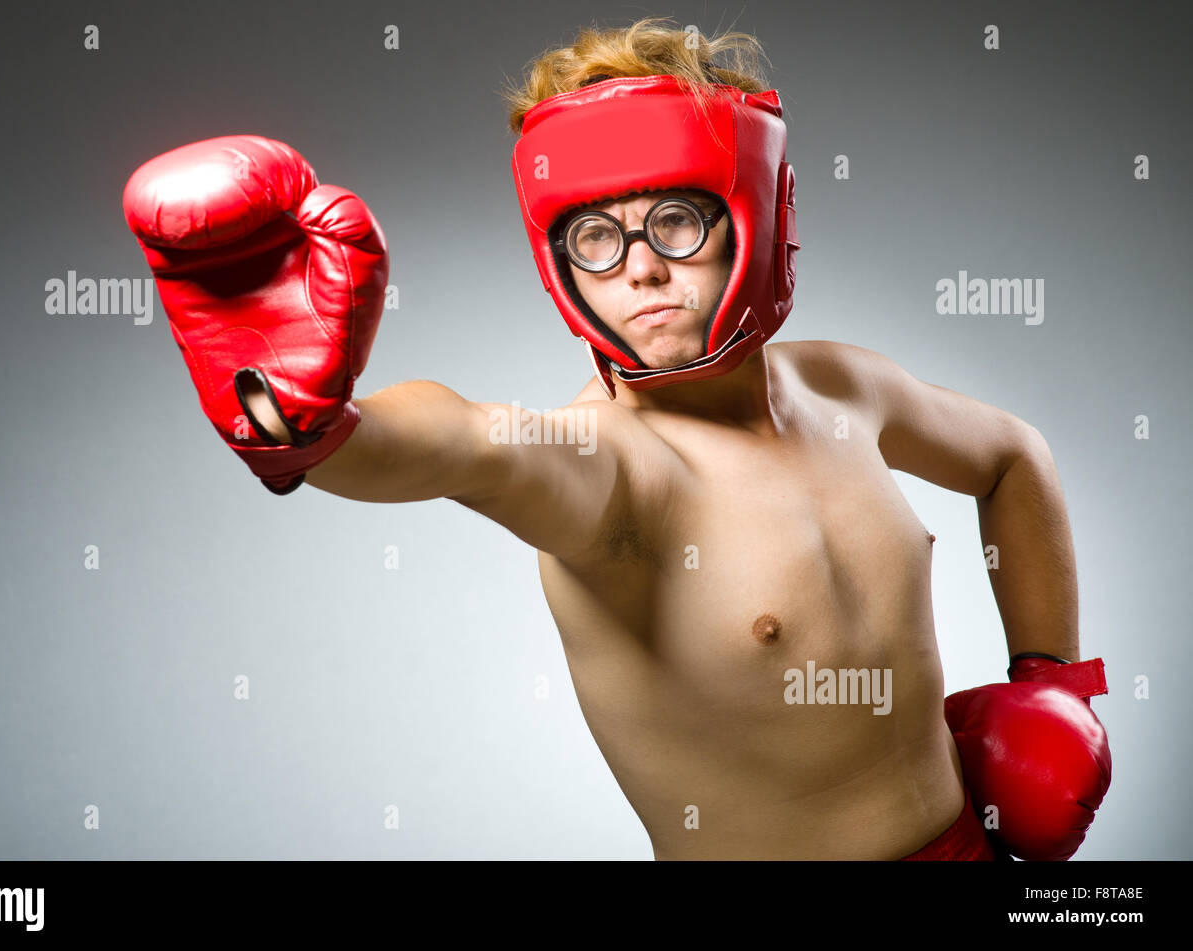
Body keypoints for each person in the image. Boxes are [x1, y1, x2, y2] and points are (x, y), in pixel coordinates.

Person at [123, 17, 1110, 860]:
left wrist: (1051, 687)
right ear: (561, 262)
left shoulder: (846, 387)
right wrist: (308, 426)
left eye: (674, 220)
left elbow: (1011, 454)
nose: (637, 268)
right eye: (594, 236)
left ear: (759, 218)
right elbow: (465, 441)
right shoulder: (612, 473)